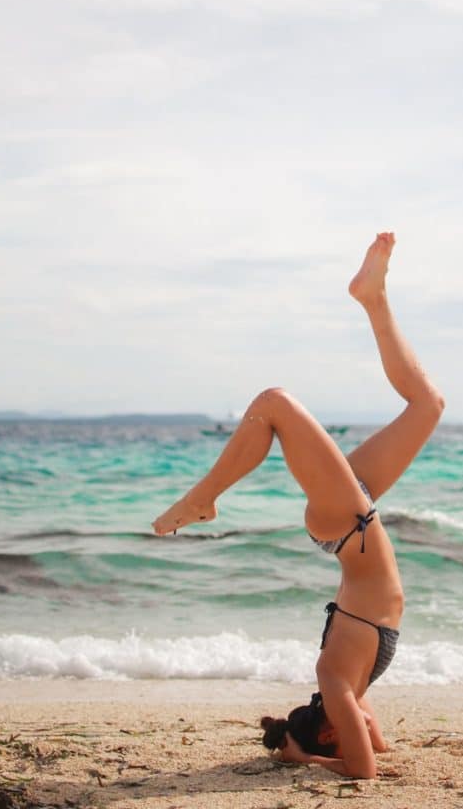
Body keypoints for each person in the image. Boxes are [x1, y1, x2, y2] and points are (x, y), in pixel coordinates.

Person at [152, 232, 445, 778]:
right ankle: (373, 300)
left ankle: (203, 500)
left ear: (328, 724)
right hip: (354, 524)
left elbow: (359, 762)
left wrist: (298, 753)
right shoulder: (349, 694)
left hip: (346, 524)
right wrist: (311, 751)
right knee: (429, 404)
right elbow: (370, 761)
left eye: (338, 724)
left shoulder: (335, 682)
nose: (352, 722)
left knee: (273, 404)